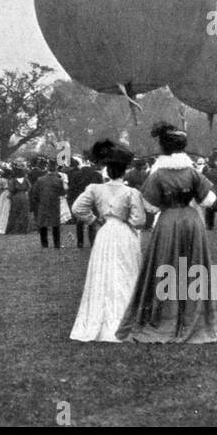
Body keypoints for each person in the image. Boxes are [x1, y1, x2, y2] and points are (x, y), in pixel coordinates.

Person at [116, 123, 217, 344]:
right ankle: (193, 316)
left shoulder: (158, 174)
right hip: (192, 222)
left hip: (168, 221)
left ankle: (164, 317)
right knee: (193, 268)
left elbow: (150, 206)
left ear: (163, 147)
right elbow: (210, 200)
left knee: (165, 266)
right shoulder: (192, 172)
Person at [70, 143, 146, 342]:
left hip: (105, 233)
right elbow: (139, 220)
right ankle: (125, 318)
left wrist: (94, 221)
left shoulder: (96, 189)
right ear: (125, 171)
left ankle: (104, 319)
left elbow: (77, 208)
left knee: (104, 272)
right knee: (126, 271)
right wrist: (125, 220)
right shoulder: (131, 193)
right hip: (123, 232)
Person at [66, 156, 102, 247]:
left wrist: (71, 202)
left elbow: (72, 190)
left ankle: (80, 242)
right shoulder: (97, 175)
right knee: (92, 222)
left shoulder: (76, 175)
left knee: (79, 222)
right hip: (93, 201)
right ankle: (92, 242)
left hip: (80, 201)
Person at [30, 161, 66, 248]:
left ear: (47, 169)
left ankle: (44, 244)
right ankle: (56, 244)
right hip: (54, 204)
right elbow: (62, 192)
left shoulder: (40, 180)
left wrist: (37, 200)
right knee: (55, 224)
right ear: (55, 169)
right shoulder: (59, 180)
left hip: (43, 203)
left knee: (43, 224)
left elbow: (35, 193)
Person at [5, 165, 31, 234]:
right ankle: (23, 229)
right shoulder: (25, 179)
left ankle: (14, 229)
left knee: (14, 213)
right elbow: (29, 187)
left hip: (15, 197)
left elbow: (11, 189)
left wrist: (9, 196)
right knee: (24, 213)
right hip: (23, 196)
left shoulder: (13, 180)